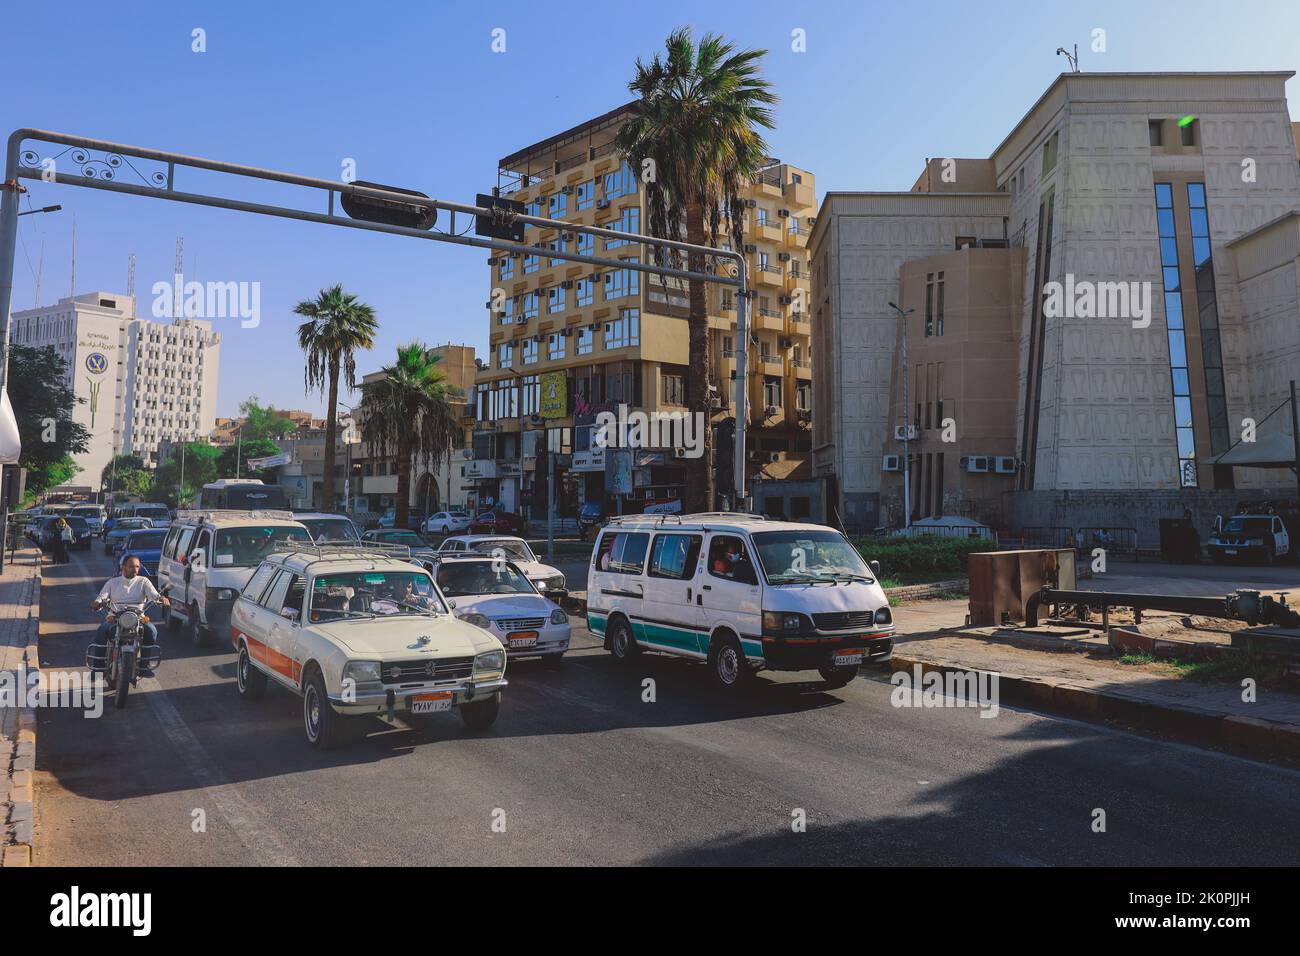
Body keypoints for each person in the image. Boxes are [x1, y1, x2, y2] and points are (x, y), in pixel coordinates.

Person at [90, 555, 169, 677]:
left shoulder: (143, 581)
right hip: (115, 618)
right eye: (131, 566)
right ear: (123, 567)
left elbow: (154, 595)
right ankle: (98, 668)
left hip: (137, 618)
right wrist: (98, 602)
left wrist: (161, 599)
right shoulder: (113, 582)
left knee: (151, 631)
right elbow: (102, 596)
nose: (135, 569)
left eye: (137, 566)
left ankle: (144, 666)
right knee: (102, 630)